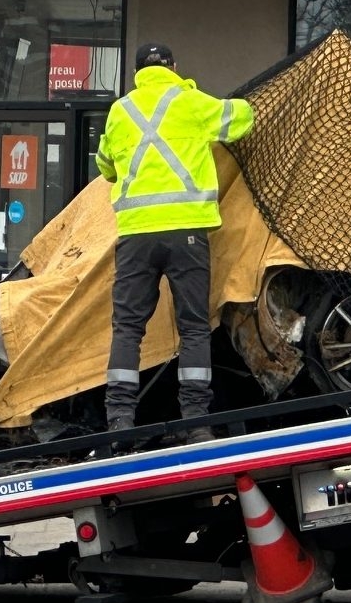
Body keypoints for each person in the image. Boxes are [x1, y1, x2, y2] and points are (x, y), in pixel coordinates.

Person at [96, 42, 255, 438]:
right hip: (186, 231)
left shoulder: (121, 111)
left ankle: (119, 420)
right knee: (195, 328)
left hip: (135, 237)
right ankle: (195, 422)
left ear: (136, 73)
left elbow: (105, 165)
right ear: (174, 66)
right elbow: (240, 119)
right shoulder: (189, 101)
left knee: (128, 328)